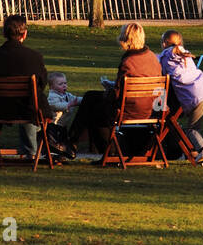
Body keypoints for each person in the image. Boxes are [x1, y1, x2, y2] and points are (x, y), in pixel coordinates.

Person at [67, 22, 162, 156]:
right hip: (148, 108)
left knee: (92, 104)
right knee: (91, 97)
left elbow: (116, 95)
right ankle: (74, 142)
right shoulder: (152, 58)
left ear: (125, 38)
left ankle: (75, 142)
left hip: (128, 110)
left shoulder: (128, 61)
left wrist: (109, 90)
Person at [0, 15, 52, 159]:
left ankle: (26, 151)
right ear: (24, 34)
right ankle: (31, 152)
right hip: (28, 108)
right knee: (34, 99)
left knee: (32, 98)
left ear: (4, 33)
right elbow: (41, 84)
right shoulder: (34, 57)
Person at [159, 29, 203, 168]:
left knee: (191, 128)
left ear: (164, 43)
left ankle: (202, 149)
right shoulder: (186, 55)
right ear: (180, 42)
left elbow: (162, 72)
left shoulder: (164, 56)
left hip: (196, 95)